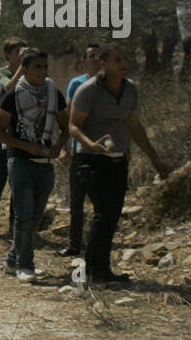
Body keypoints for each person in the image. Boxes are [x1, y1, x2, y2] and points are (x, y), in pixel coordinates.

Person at [69, 45, 171, 287]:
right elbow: (74, 126)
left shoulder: (130, 89)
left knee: (112, 214)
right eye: (117, 59)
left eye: (125, 58)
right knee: (103, 213)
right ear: (103, 64)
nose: (124, 63)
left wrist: (154, 158)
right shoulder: (88, 90)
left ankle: (103, 270)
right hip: (92, 160)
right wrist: (91, 145)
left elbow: (134, 126)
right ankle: (92, 273)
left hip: (119, 160)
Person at [0, 48, 69, 283]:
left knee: (35, 218)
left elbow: (67, 126)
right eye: (37, 67)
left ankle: (11, 258)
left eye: (45, 67)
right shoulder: (13, 96)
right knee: (23, 216)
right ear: (24, 69)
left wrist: (58, 146)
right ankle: (25, 266)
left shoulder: (53, 93)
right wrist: (28, 147)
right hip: (20, 161)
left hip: (45, 163)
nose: (42, 71)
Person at [57, 42, 101, 259]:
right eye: (91, 55)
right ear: (83, 60)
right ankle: (75, 245)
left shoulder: (110, 83)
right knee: (77, 200)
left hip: (103, 153)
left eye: (98, 56)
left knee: (101, 203)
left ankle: (97, 247)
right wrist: (64, 148)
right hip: (78, 151)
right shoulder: (76, 84)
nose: (95, 59)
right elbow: (67, 119)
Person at [0, 37, 26, 238]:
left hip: (24, 132)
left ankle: (14, 226)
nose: (22, 55)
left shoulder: (30, 72)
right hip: (5, 132)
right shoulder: (0, 72)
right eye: (18, 52)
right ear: (8, 54)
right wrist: (23, 68)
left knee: (19, 183)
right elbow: (8, 87)